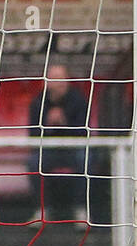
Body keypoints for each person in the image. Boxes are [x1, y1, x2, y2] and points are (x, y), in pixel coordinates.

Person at [28, 63, 90, 228]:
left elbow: (85, 133)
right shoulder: (38, 102)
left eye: (61, 79)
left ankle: (80, 209)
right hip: (49, 151)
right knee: (34, 162)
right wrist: (47, 125)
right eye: (54, 79)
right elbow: (32, 136)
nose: (58, 84)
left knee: (85, 160)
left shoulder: (79, 101)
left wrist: (64, 123)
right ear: (47, 82)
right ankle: (42, 210)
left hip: (72, 150)